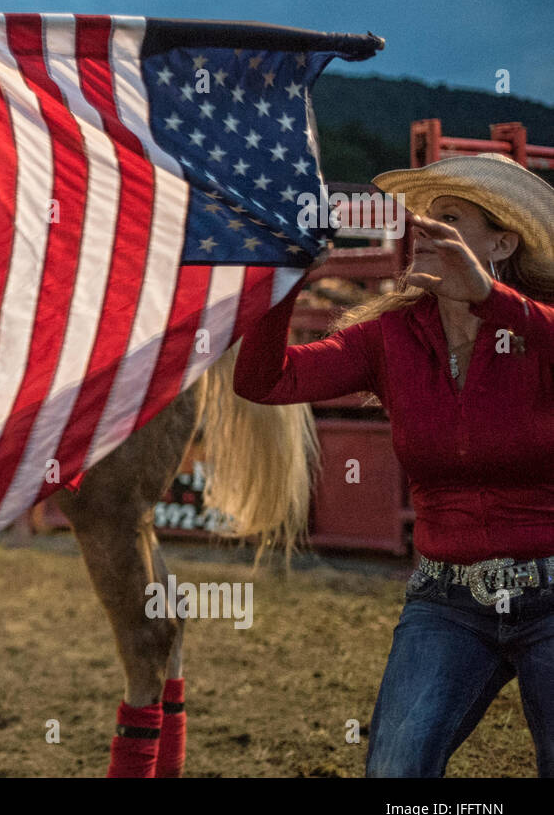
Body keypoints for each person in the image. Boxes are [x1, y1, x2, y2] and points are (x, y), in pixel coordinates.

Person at [233, 153, 554, 777]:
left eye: (450, 218)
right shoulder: (390, 336)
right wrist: (285, 281)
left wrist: (490, 298)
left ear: (501, 241)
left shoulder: (535, 329)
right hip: (447, 599)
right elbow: (264, 381)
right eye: (422, 219)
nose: (422, 231)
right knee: (395, 776)